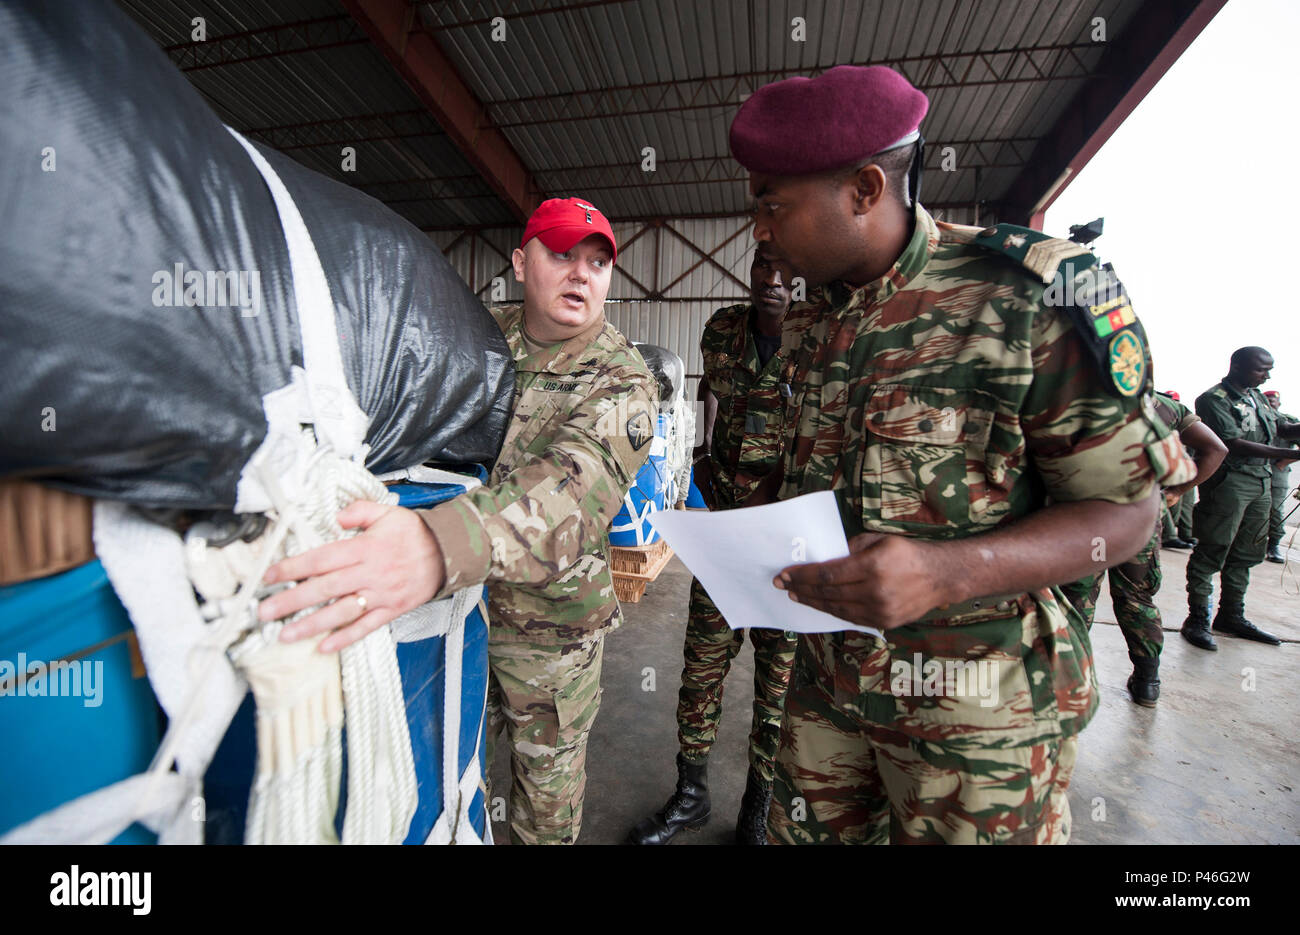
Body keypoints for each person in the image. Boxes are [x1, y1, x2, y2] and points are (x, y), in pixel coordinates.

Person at [728, 65, 1196, 844]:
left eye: (773, 202)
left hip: (978, 724)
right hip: (828, 696)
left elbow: (1127, 514)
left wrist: (947, 572)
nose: (761, 229)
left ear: (866, 189)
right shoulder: (817, 319)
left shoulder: (1029, 298)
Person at [257, 196, 657, 845]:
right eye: (561, 254)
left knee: (543, 806)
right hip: (454, 609)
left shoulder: (622, 377)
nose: (582, 274)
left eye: (597, 262)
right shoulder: (473, 334)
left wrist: (435, 543)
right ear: (522, 262)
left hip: (550, 631)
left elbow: (574, 490)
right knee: (445, 774)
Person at [627, 247, 800, 846]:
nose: (772, 282)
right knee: (702, 666)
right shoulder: (723, 327)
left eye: (783, 273)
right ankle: (691, 795)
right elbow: (709, 387)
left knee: (778, 683)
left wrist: (774, 495)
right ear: (750, 274)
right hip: (724, 527)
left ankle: (758, 807)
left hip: (785, 539)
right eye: (762, 269)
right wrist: (701, 452)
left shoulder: (817, 338)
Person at [1060, 391, 1226, 706]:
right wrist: (1176, 491)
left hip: (1086, 519)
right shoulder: (1166, 406)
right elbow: (1216, 448)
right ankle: (1147, 681)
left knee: (1076, 598)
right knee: (1137, 598)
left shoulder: (1076, 395)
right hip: (1139, 520)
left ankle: (1067, 682)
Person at [1183, 348, 1300, 648]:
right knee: (1212, 548)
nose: (1268, 375)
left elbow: (1281, 428)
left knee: (1246, 553)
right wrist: (1288, 454)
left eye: (1269, 370)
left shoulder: (1257, 396)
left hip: (1261, 482)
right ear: (1238, 366)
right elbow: (1232, 443)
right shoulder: (1214, 399)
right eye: (1262, 370)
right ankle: (1197, 619)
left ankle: (1231, 615)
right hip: (1229, 482)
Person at [1159, 390, 1198, 550]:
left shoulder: (1183, 420)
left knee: (1184, 502)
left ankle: (1184, 534)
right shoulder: (1159, 419)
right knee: (1161, 498)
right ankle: (1169, 535)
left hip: (1182, 468)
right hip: (1163, 468)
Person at [1262, 390, 1298, 562]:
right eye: (1267, 400)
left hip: (1276, 473)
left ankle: (1273, 545)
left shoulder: (1289, 422)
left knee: (1275, 511)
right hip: (1254, 471)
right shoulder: (1255, 418)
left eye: (1273, 401)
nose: (1271, 404)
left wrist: (1283, 463)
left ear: (1279, 403)